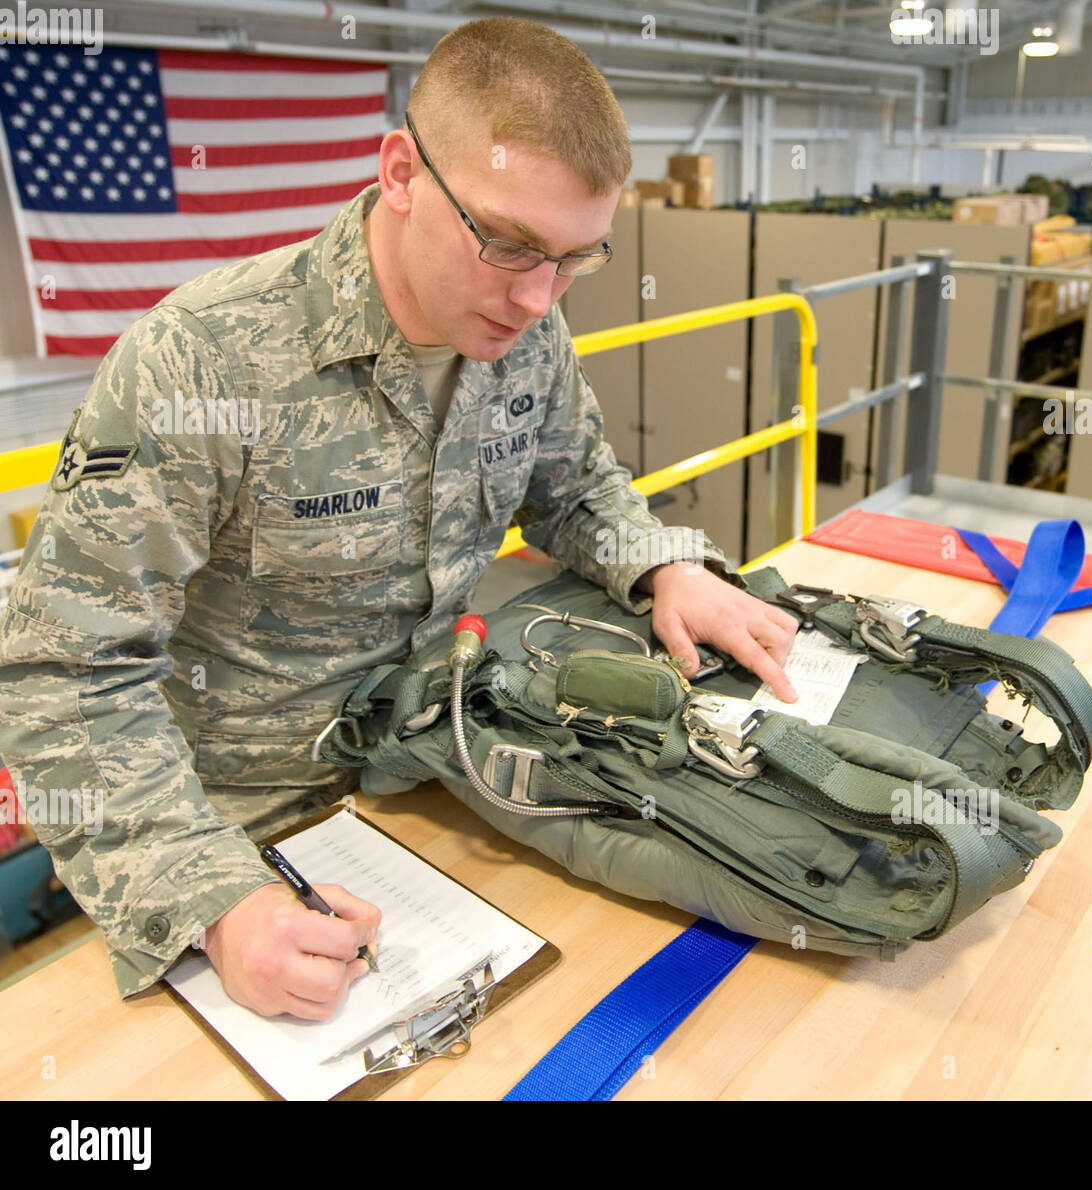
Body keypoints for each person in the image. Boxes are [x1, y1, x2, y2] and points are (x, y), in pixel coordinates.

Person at [0, 17, 798, 1022]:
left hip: (444, 777)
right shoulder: (203, 361)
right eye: (508, 244)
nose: (537, 296)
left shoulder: (530, 326)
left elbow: (576, 486)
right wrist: (211, 899)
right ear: (399, 172)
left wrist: (661, 568)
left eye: (573, 259)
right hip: (245, 842)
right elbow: (63, 670)